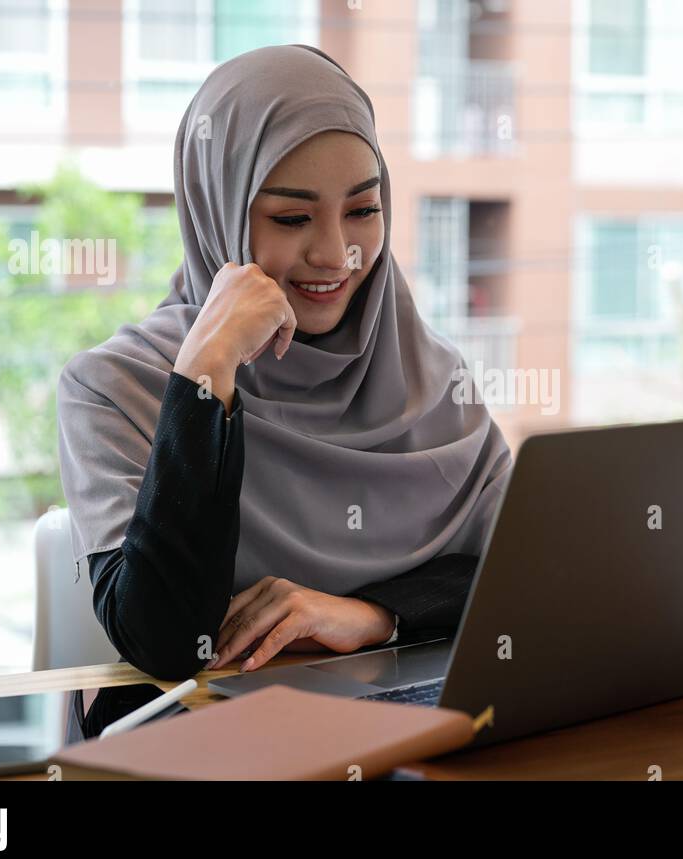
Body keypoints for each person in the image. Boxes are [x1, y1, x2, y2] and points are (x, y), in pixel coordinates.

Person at [56, 45, 511, 681]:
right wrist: (205, 376)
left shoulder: (434, 379)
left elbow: (527, 571)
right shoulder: (114, 388)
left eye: (363, 210)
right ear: (217, 209)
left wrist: (371, 615)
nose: (335, 254)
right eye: (292, 217)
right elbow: (161, 636)